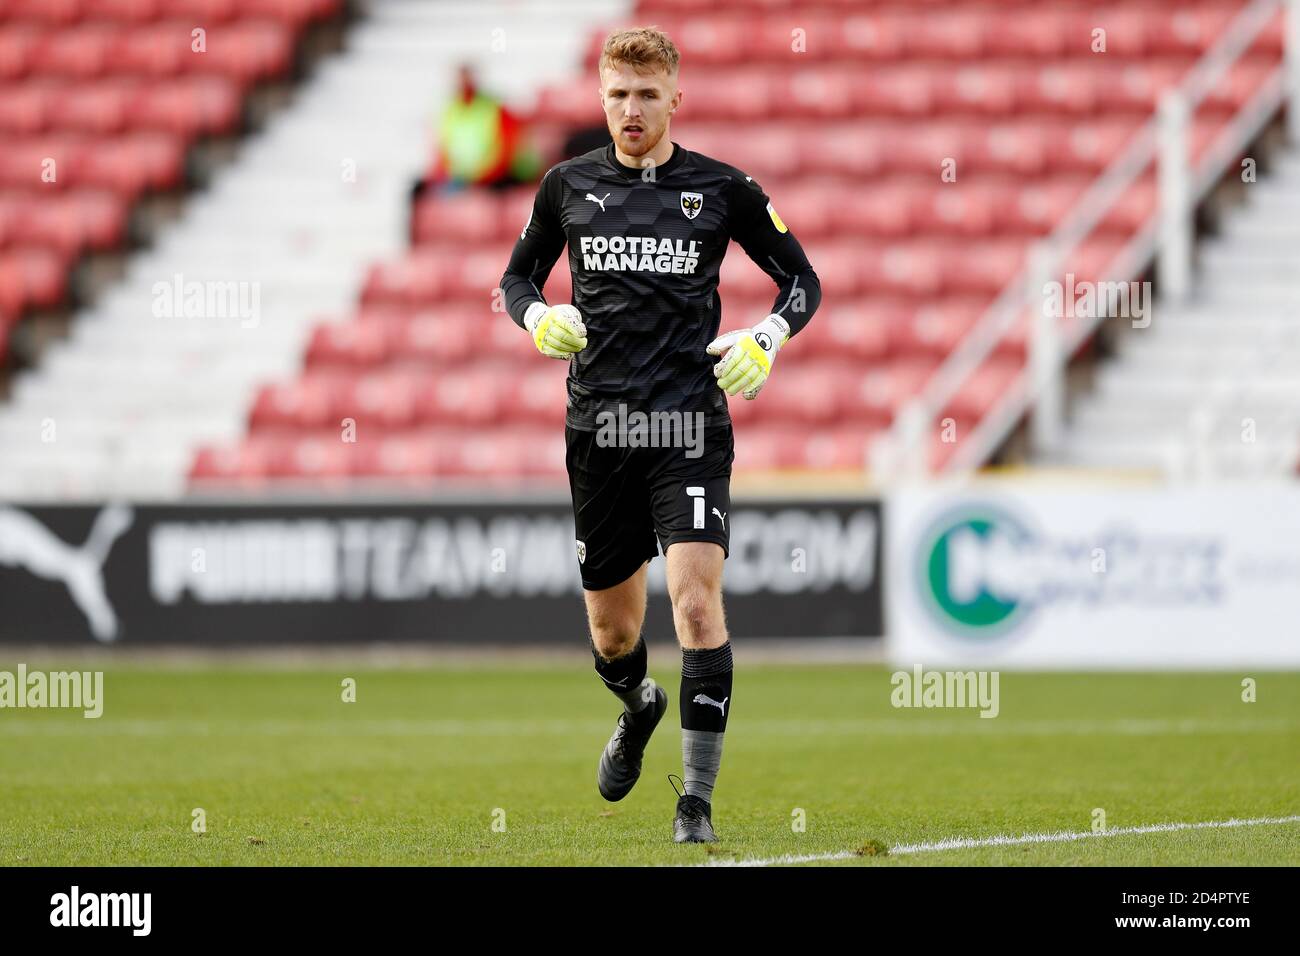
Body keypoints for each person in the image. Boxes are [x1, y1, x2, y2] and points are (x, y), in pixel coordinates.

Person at [499, 27, 820, 843]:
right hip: (599, 429)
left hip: (688, 425)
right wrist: (538, 317)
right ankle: (638, 702)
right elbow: (515, 277)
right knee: (613, 633)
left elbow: (802, 280)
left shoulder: (722, 188)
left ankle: (696, 807)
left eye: (647, 94)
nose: (631, 110)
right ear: (601, 98)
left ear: (676, 96)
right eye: (617, 95)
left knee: (695, 605)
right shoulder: (566, 186)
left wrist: (765, 339)